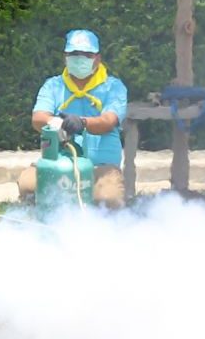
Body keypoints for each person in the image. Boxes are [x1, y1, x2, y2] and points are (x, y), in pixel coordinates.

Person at [16, 29, 128, 208]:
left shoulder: (114, 87)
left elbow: (108, 121)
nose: (79, 58)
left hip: (101, 167)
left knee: (109, 196)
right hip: (57, 163)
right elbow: (38, 118)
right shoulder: (53, 86)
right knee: (28, 183)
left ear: (97, 58)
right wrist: (56, 122)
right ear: (65, 57)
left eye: (86, 54)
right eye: (74, 54)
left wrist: (83, 123)